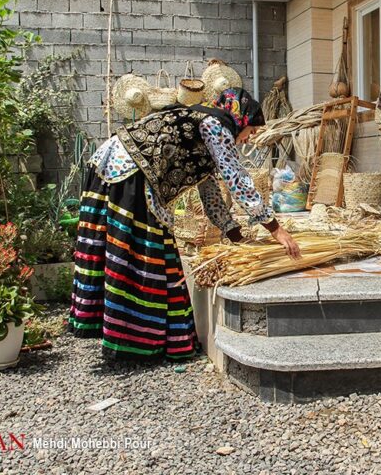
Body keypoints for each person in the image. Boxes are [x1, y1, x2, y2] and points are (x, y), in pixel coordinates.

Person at [69, 88, 301, 362]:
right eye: (251, 130)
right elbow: (236, 178)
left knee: (152, 251)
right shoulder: (216, 125)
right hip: (129, 174)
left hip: (116, 165)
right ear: (240, 118)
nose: (249, 138)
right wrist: (276, 229)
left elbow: (209, 189)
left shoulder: (199, 123)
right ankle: (139, 344)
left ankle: (142, 339)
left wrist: (232, 232)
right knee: (142, 253)